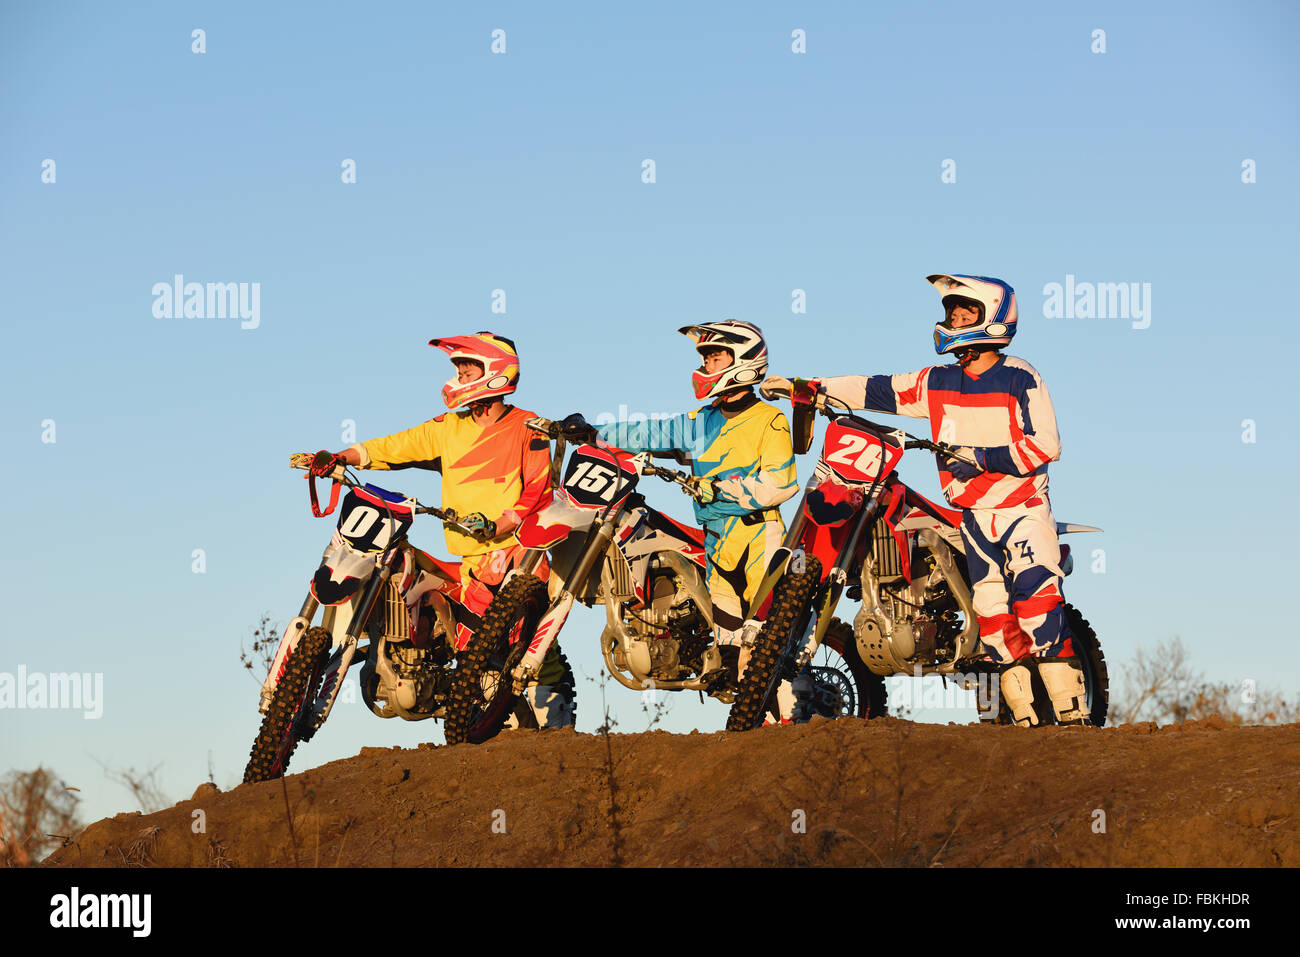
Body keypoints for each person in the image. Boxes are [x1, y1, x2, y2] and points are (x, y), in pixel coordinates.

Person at [764, 275, 1088, 726]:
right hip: (973, 516)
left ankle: (1075, 718)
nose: (954, 319)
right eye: (951, 313)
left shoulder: (1020, 375)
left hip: (1022, 509)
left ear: (994, 315)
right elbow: (876, 389)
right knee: (993, 615)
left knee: (1036, 606)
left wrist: (980, 457)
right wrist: (810, 388)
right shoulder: (937, 381)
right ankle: (1027, 724)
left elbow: (1046, 444)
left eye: (964, 313)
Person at [319, 332, 574, 728]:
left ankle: (556, 721)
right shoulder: (448, 427)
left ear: (493, 371)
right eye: (457, 368)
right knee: (426, 596)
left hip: (519, 553)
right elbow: (396, 445)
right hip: (469, 558)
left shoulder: (530, 426)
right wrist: (340, 456)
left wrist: (501, 524)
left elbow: (539, 491)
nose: (458, 374)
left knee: (520, 645)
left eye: (466, 367)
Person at [591, 320, 801, 718]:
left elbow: (781, 483)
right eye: (705, 356)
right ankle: (751, 738)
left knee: (761, 647)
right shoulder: (700, 421)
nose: (705, 364)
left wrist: (720, 488)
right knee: (728, 649)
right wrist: (595, 432)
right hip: (717, 541)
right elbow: (649, 432)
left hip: (760, 536)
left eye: (714, 356)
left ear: (742, 360)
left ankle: (794, 734)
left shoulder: (769, 419)